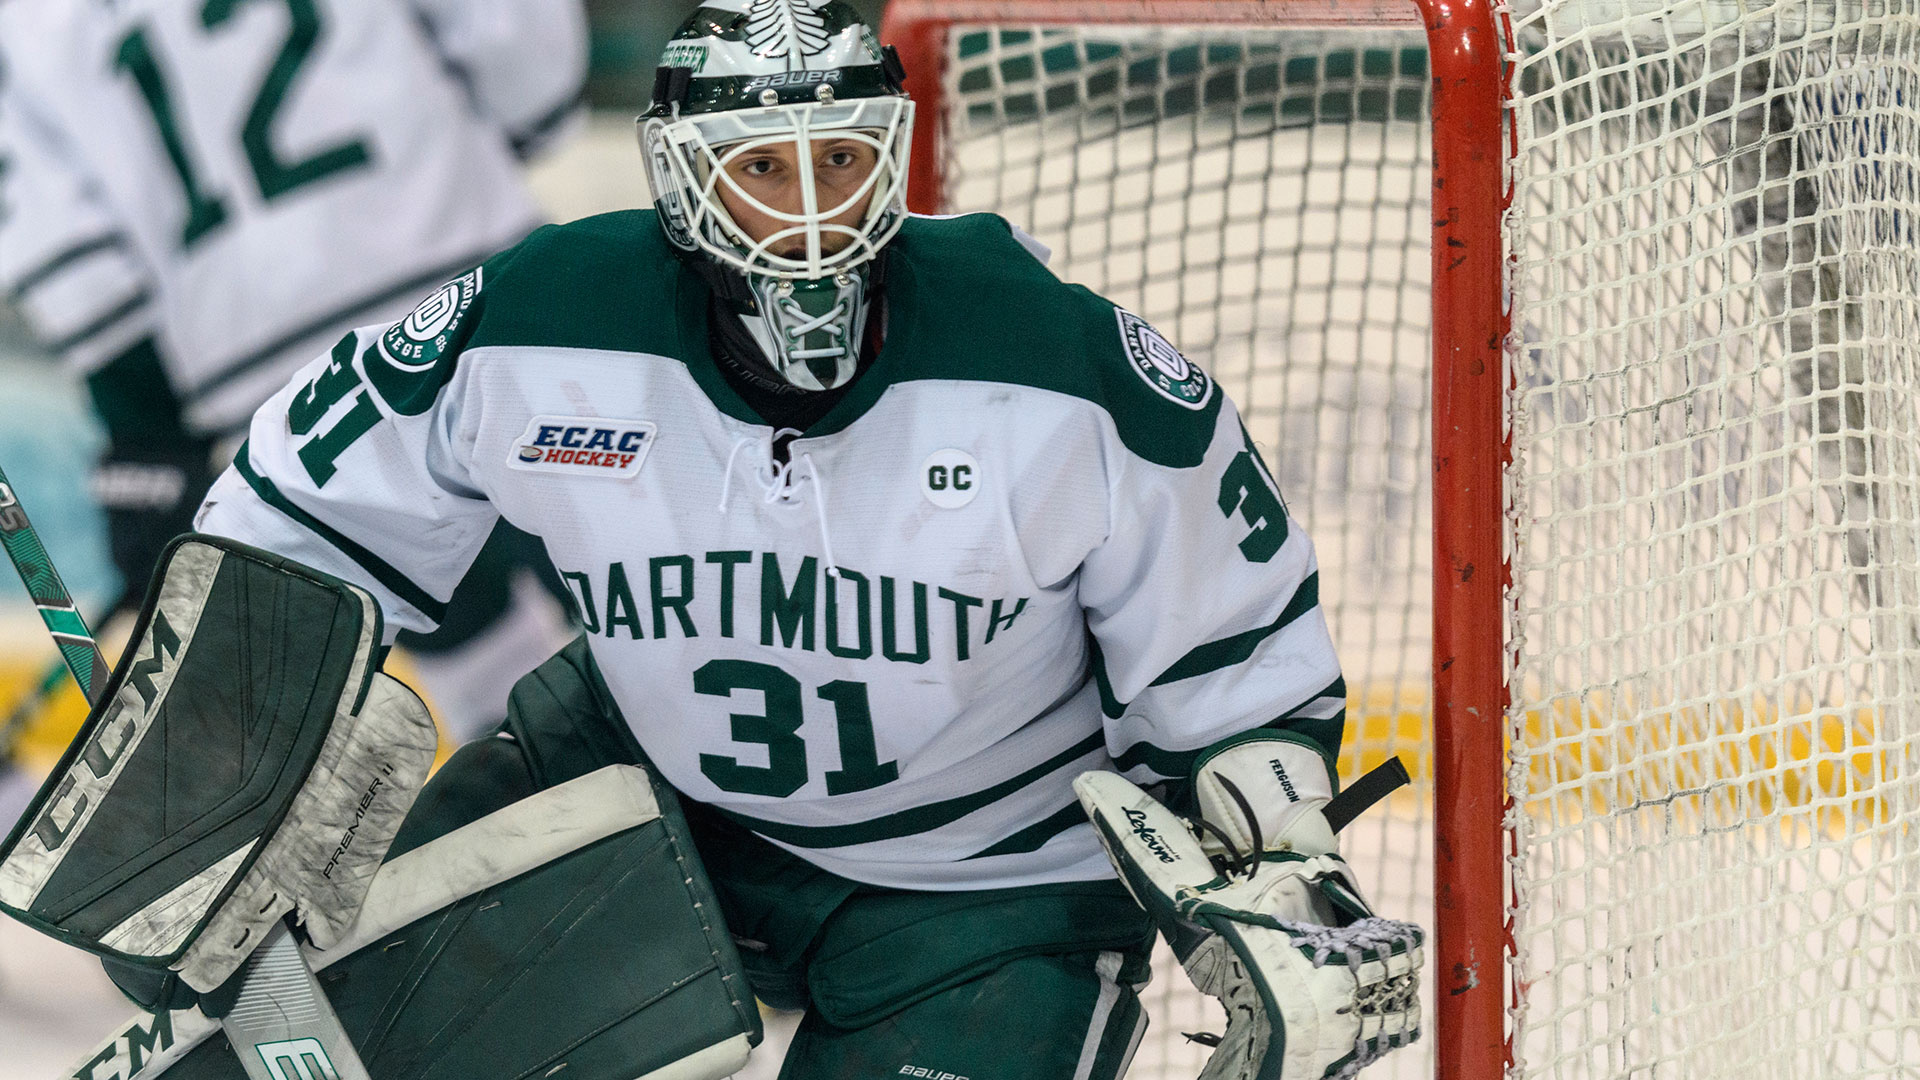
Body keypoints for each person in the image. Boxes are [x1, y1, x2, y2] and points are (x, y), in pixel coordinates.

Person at [179, 2, 1424, 1076]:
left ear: (892, 158)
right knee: (269, 1038)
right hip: (638, 789)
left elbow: (1234, 654)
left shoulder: (1066, 370)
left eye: (837, 158)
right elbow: (300, 518)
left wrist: (1281, 862)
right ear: (680, 179)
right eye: (763, 171)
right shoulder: (542, 320)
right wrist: (222, 772)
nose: (811, 214)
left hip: (987, 887)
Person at [0, 0, 586, 801]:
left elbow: (66, 250)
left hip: (281, 385)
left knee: (458, 627)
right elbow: (526, 60)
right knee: (621, 594)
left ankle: (565, 836)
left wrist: (145, 436)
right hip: (483, 287)